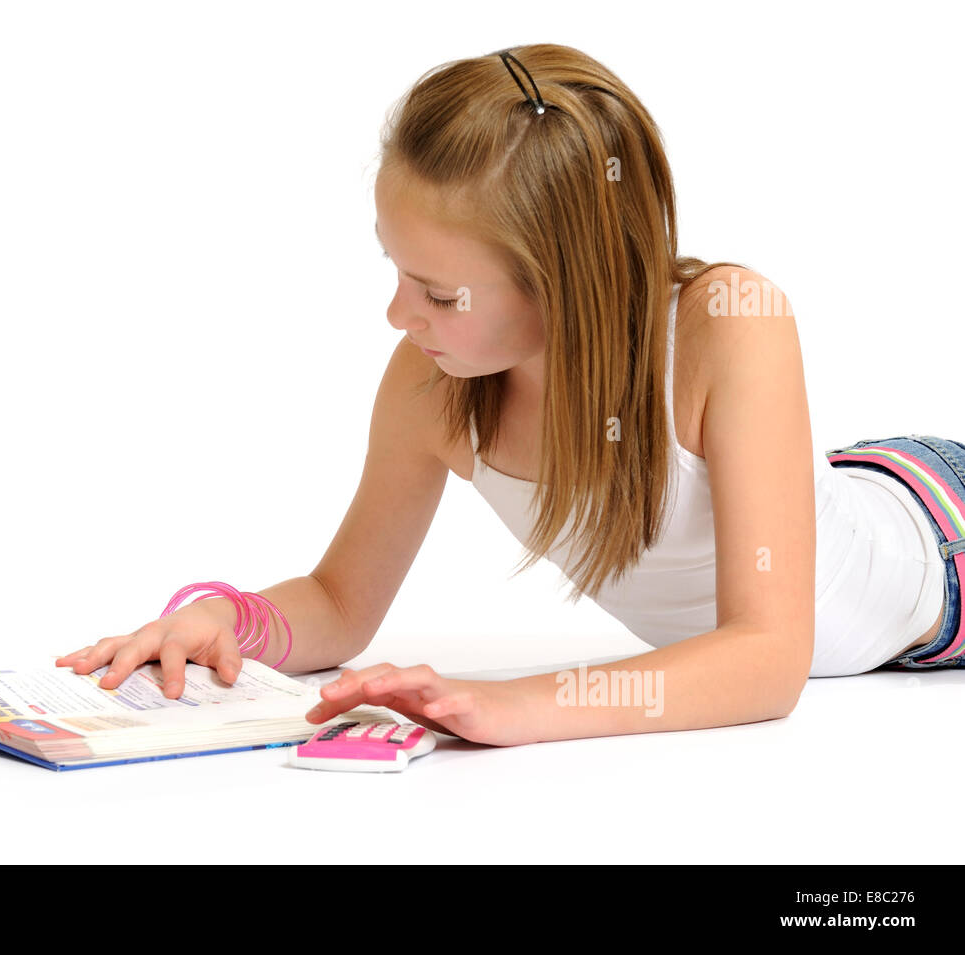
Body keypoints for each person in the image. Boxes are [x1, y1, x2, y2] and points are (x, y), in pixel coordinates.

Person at [56, 43, 965, 746]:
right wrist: (228, 617)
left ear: (570, 283)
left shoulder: (732, 323)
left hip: (939, 531)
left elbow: (770, 658)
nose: (395, 314)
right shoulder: (433, 386)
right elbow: (339, 600)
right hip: (847, 488)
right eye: (396, 268)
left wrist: (512, 705)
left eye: (441, 294)